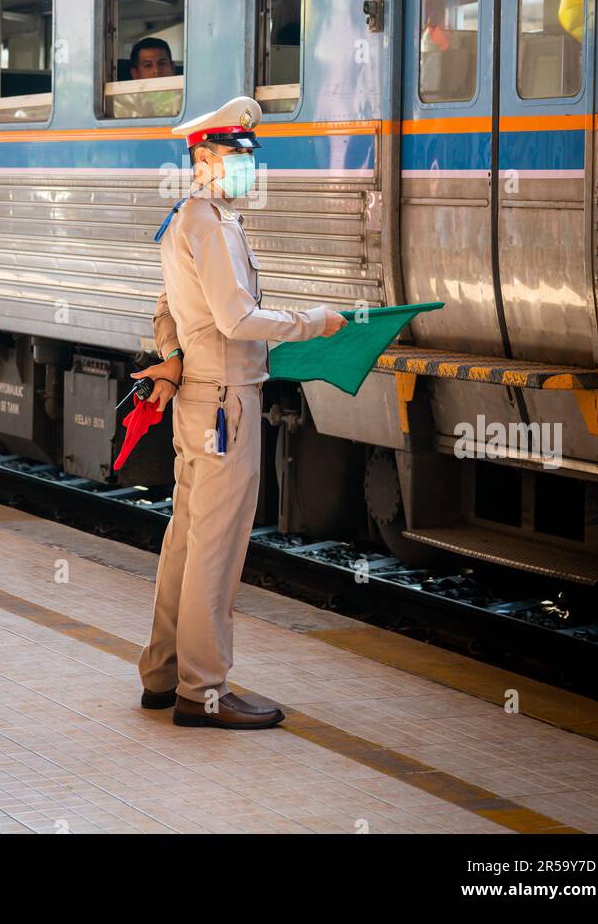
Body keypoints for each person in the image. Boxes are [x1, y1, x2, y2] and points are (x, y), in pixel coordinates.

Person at [133, 95, 347, 730]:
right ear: (203, 159)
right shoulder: (214, 225)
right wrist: (315, 322)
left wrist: (172, 357)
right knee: (216, 548)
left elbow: (164, 309)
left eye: (250, 157)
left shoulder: (184, 219)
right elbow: (237, 319)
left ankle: (163, 674)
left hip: (198, 399)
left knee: (184, 539)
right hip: (227, 403)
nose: (246, 168)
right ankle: (203, 691)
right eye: (235, 156)